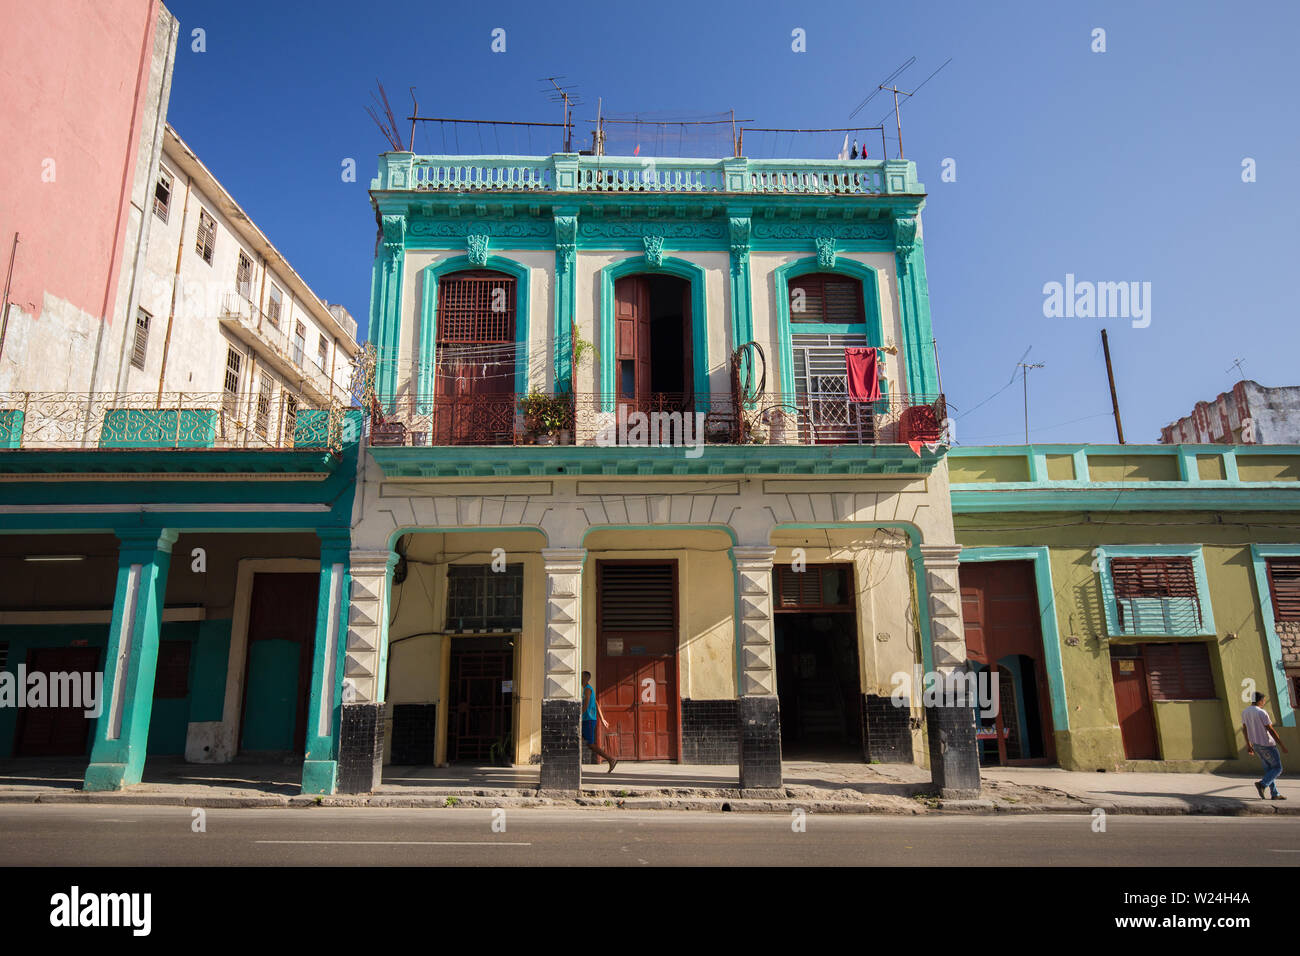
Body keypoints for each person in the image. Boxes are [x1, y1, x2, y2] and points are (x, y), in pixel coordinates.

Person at [1242, 691, 1288, 800]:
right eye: (1263, 700)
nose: (1264, 703)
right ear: (1260, 700)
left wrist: (1248, 745)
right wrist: (1281, 744)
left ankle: (1275, 794)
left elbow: (1244, 729)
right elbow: (1270, 729)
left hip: (1257, 745)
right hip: (1267, 745)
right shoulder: (1261, 712)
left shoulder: (1245, 712)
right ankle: (1262, 784)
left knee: (1269, 770)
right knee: (1278, 768)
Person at [581, 670, 617, 772]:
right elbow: (596, 703)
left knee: (591, 744)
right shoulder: (587, 689)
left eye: (581, 677)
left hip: (588, 720)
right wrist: (602, 719)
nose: (580, 678)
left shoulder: (587, 690)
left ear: (586, 678)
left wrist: (579, 716)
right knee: (584, 742)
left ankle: (611, 759)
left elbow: (586, 704)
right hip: (588, 720)